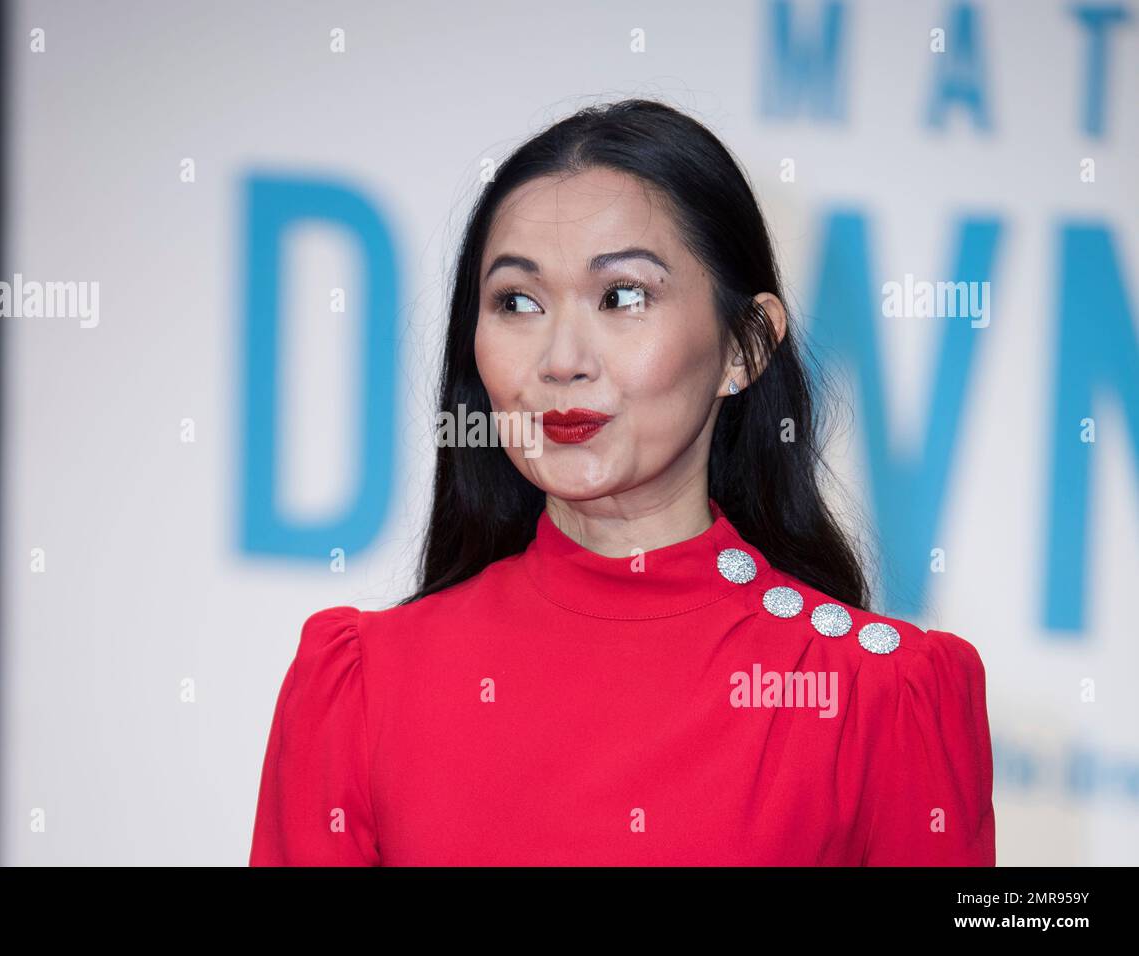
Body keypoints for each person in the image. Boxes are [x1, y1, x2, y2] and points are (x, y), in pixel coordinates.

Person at [248, 98, 995, 866]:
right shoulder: (361, 686)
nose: (562, 359)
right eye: (517, 302)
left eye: (623, 297)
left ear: (746, 344)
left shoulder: (881, 696)